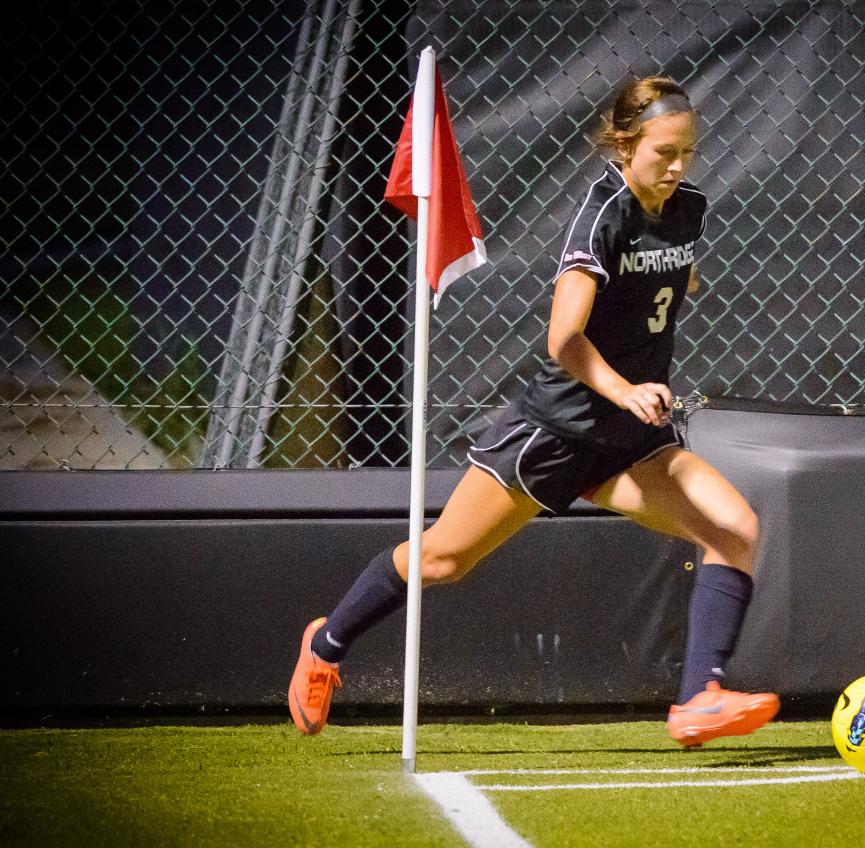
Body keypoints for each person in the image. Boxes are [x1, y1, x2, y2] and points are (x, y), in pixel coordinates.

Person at [288, 75, 779, 747]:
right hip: (555, 431)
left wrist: (656, 310)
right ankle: (328, 641)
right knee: (444, 561)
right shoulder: (601, 214)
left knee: (733, 529)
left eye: (687, 152)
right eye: (663, 152)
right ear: (626, 144)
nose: (677, 166)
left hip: (630, 440)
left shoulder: (688, 207)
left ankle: (699, 699)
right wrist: (628, 387)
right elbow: (563, 339)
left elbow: (672, 277)